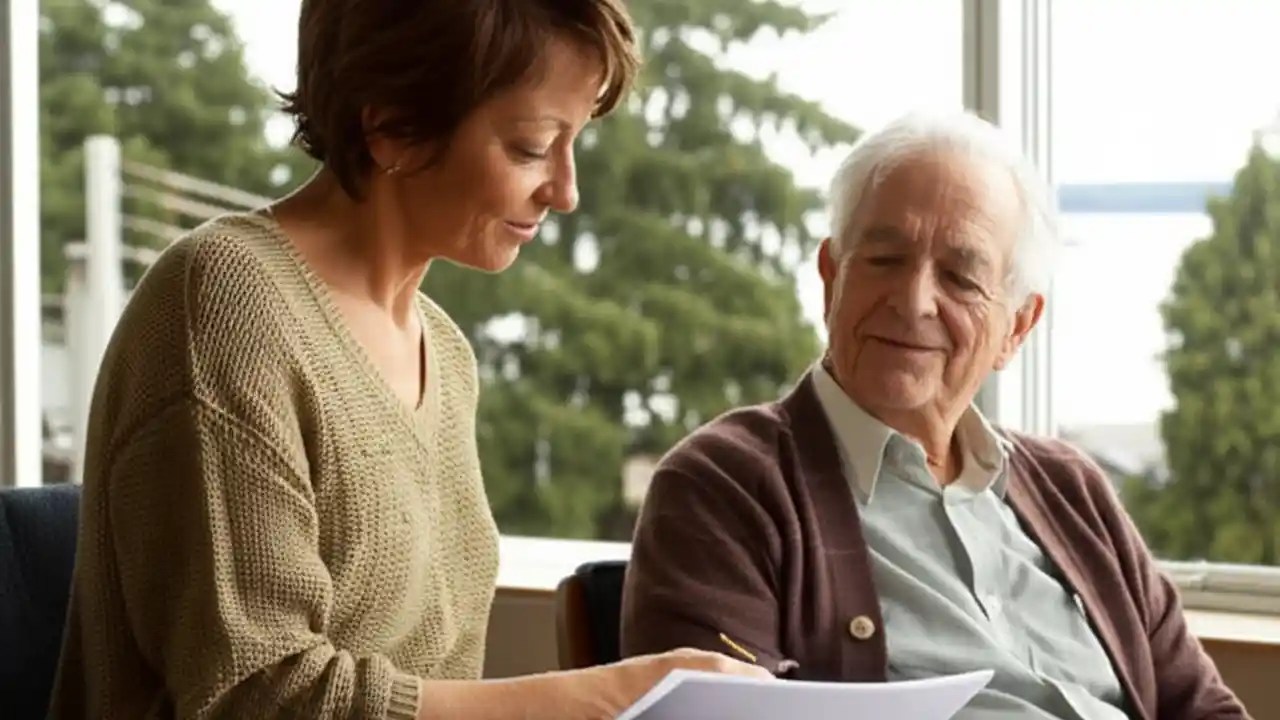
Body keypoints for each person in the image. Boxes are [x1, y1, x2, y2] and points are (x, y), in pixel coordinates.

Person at [47, 1, 769, 718]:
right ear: (392, 125)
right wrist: (604, 697)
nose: (566, 191)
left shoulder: (445, 353)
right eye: (530, 148)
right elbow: (259, 695)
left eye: (574, 143)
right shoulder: (225, 302)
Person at [619, 110, 1251, 719]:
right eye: (885, 260)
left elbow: (1203, 708)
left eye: (960, 277)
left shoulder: (1072, 490)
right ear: (831, 277)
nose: (915, 300)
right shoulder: (724, 487)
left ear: (1017, 327)